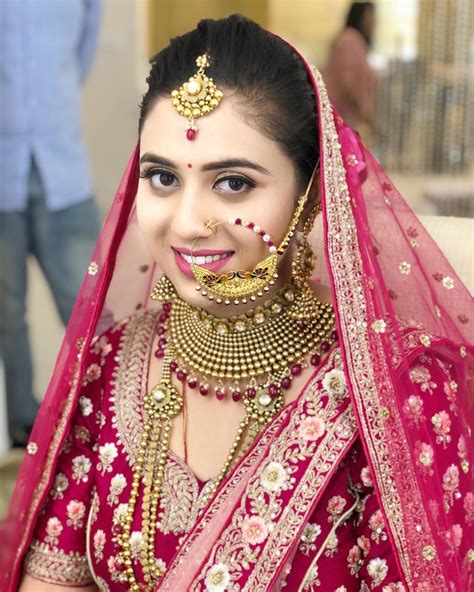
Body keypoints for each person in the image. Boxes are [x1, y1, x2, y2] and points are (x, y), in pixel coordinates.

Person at [1, 14, 472, 592]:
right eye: (163, 178)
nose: (188, 223)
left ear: (311, 194)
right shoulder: (112, 362)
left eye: (233, 183)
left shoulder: (398, 393)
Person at [0, 0, 102, 447]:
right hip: (2, 171)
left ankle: (104, 417)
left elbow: (83, 51)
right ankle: (19, 425)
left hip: (63, 167)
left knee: (92, 306)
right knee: (5, 315)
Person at [324, 2, 376, 135]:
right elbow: (348, 80)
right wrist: (364, 107)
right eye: (369, 17)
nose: (372, 22)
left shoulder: (355, 40)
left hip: (347, 113)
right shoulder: (349, 40)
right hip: (341, 112)